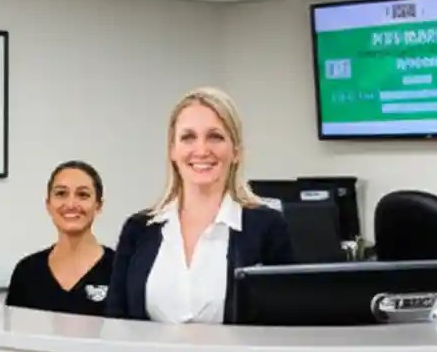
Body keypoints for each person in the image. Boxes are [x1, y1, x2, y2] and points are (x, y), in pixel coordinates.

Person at [104, 86, 294, 324]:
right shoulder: (138, 229)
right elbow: (116, 324)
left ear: (236, 151)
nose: (202, 150)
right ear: (173, 150)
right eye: (188, 137)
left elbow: (285, 325)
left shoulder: (268, 227)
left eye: (215, 136)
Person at [6, 161, 115, 316]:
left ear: (98, 205)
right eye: (61, 194)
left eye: (83, 195)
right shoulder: (27, 272)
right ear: (48, 205)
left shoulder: (119, 272)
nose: (71, 204)